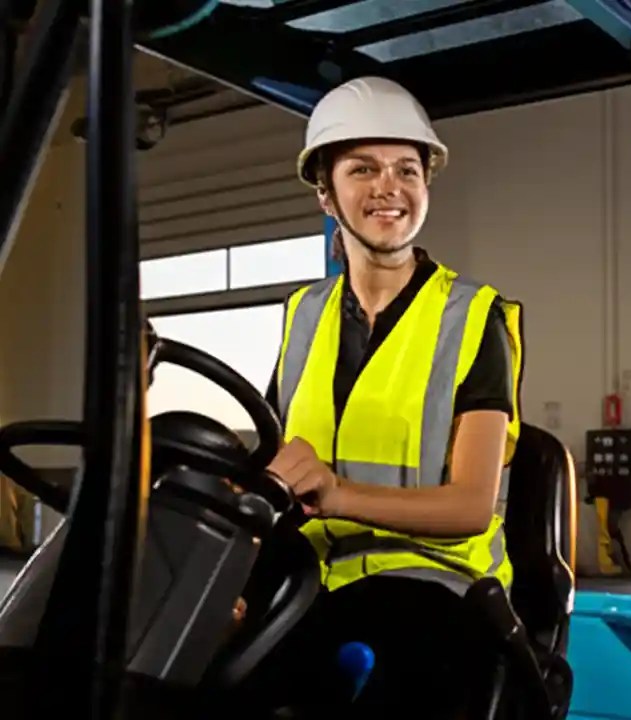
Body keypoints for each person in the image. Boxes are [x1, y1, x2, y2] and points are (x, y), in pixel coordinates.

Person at [234, 76, 525, 718]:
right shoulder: (302, 315)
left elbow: (473, 506)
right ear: (326, 193)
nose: (388, 187)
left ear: (426, 186)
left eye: (406, 169)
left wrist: (336, 494)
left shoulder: (474, 319)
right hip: (311, 576)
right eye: (363, 168)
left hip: (434, 587)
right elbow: (273, 453)